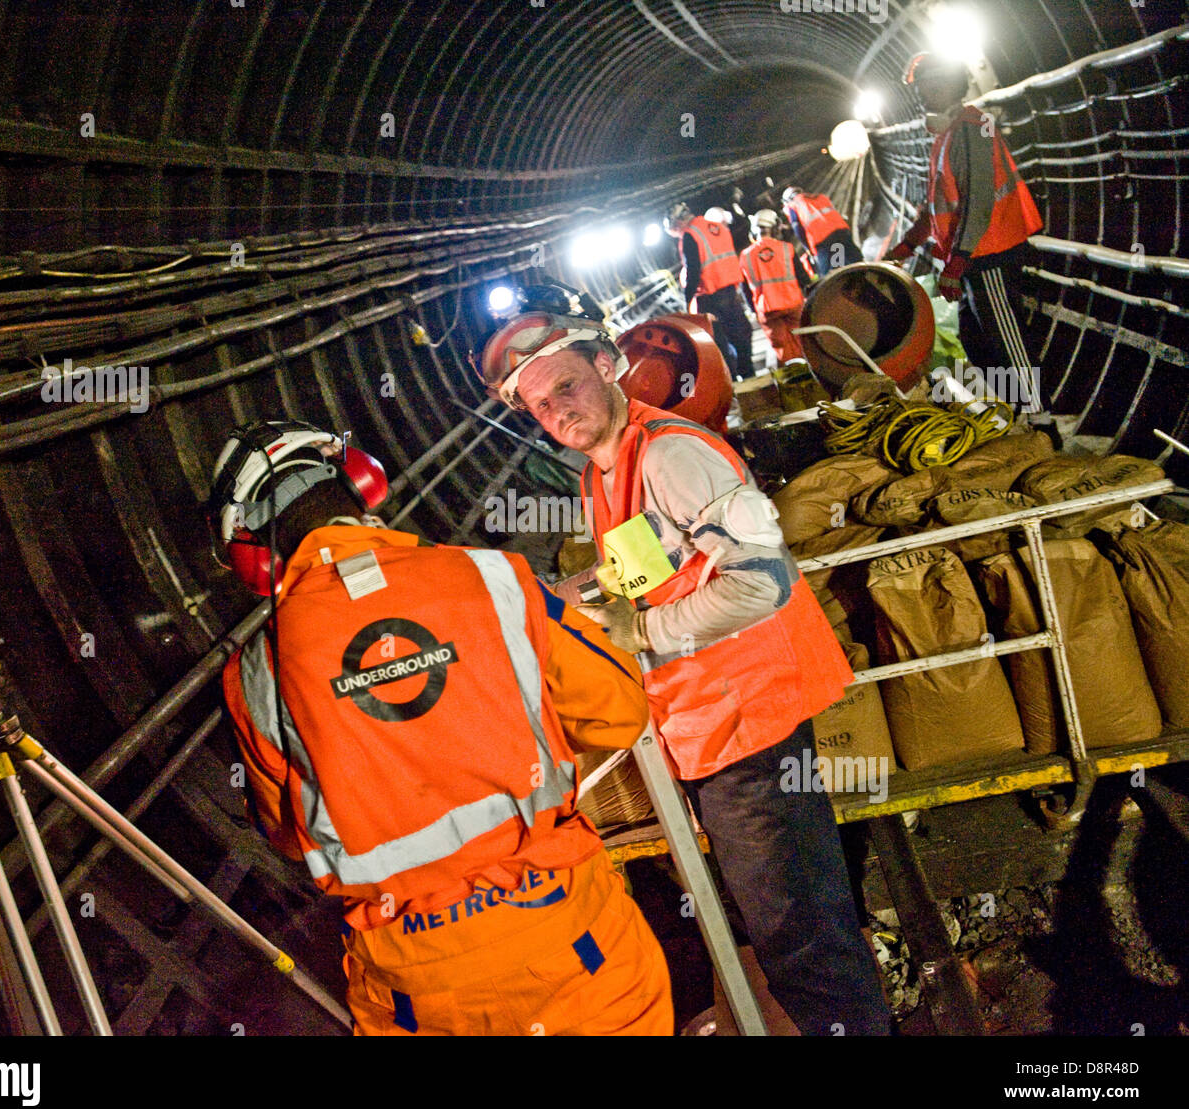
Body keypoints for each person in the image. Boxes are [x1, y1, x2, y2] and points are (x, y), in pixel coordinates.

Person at [472, 290, 893, 1036]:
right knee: (786, 918)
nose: (557, 411)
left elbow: (763, 582)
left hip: (748, 721)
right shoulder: (604, 469)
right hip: (707, 724)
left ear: (608, 365)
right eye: (539, 405)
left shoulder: (670, 453)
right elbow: (648, 564)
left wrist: (643, 631)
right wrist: (559, 599)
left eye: (566, 384)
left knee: (799, 934)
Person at [213, 419, 673, 1036]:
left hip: (420, 997)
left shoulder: (255, 676)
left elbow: (291, 836)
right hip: (574, 954)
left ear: (251, 553)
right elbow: (619, 712)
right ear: (363, 484)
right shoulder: (494, 579)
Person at [885, 52, 1052, 430]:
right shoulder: (945, 134)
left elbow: (978, 200)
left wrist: (956, 263)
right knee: (978, 341)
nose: (924, 95)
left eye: (931, 85)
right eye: (921, 88)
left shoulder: (975, 126)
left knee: (1008, 339)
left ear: (952, 85)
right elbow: (939, 203)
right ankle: (1014, 412)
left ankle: (1043, 420)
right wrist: (909, 244)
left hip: (990, 250)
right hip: (972, 254)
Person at [663, 201, 756, 381]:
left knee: (718, 341)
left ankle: (732, 380)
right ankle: (748, 372)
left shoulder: (690, 235)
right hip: (730, 290)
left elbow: (693, 270)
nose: (677, 235)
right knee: (740, 333)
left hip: (710, 295)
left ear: (678, 222)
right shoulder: (717, 227)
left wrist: (688, 299)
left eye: (675, 231)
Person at [739, 209, 815, 365]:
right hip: (793, 303)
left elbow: (745, 289)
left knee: (782, 347)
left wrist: (754, 310)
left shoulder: (745, 255)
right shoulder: (786, 248)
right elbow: (804, 278)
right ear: (774, 228)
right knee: (803, 340)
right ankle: (811, 372)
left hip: (767, 309)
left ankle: (794, 378)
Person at [782, 186, 862, 276]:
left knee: (827, 276)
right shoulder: (820, 197)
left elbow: (798, 230)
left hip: (822, 240)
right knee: (857, 263)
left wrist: (808, 249)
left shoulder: (793, 205)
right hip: (842, 232)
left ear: (788, 200)